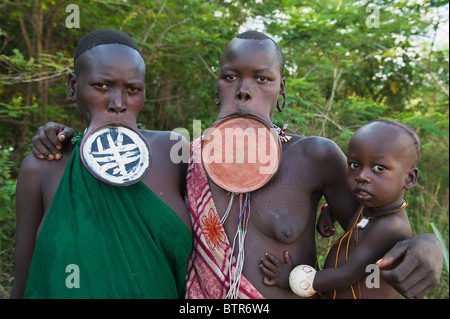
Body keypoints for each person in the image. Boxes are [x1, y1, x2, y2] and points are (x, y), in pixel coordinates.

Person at [29, 31, 443, 299]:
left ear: (281, 88)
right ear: (217, 87)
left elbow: (371, 231)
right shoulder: (178, 156)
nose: (245, 92)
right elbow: (111, 146)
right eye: (231, 77)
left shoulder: (315, 157)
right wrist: (60, 135)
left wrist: (430, 246)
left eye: (261, 79)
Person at [11, 29, 192, 299]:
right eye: (102, 86)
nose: (118, 103)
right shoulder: (44, 166)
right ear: (74, 87)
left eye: (132, 89)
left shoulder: (174, 151)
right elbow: (24, 282)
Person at [260, 119, 421, 298]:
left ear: (409, 178)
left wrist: (291, 278)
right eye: (354, 165)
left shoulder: (390, 227)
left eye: (379, 168)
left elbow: (346, 276)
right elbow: (359, 214)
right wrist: (330, 210)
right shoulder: (374, 207)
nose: (361, 176)